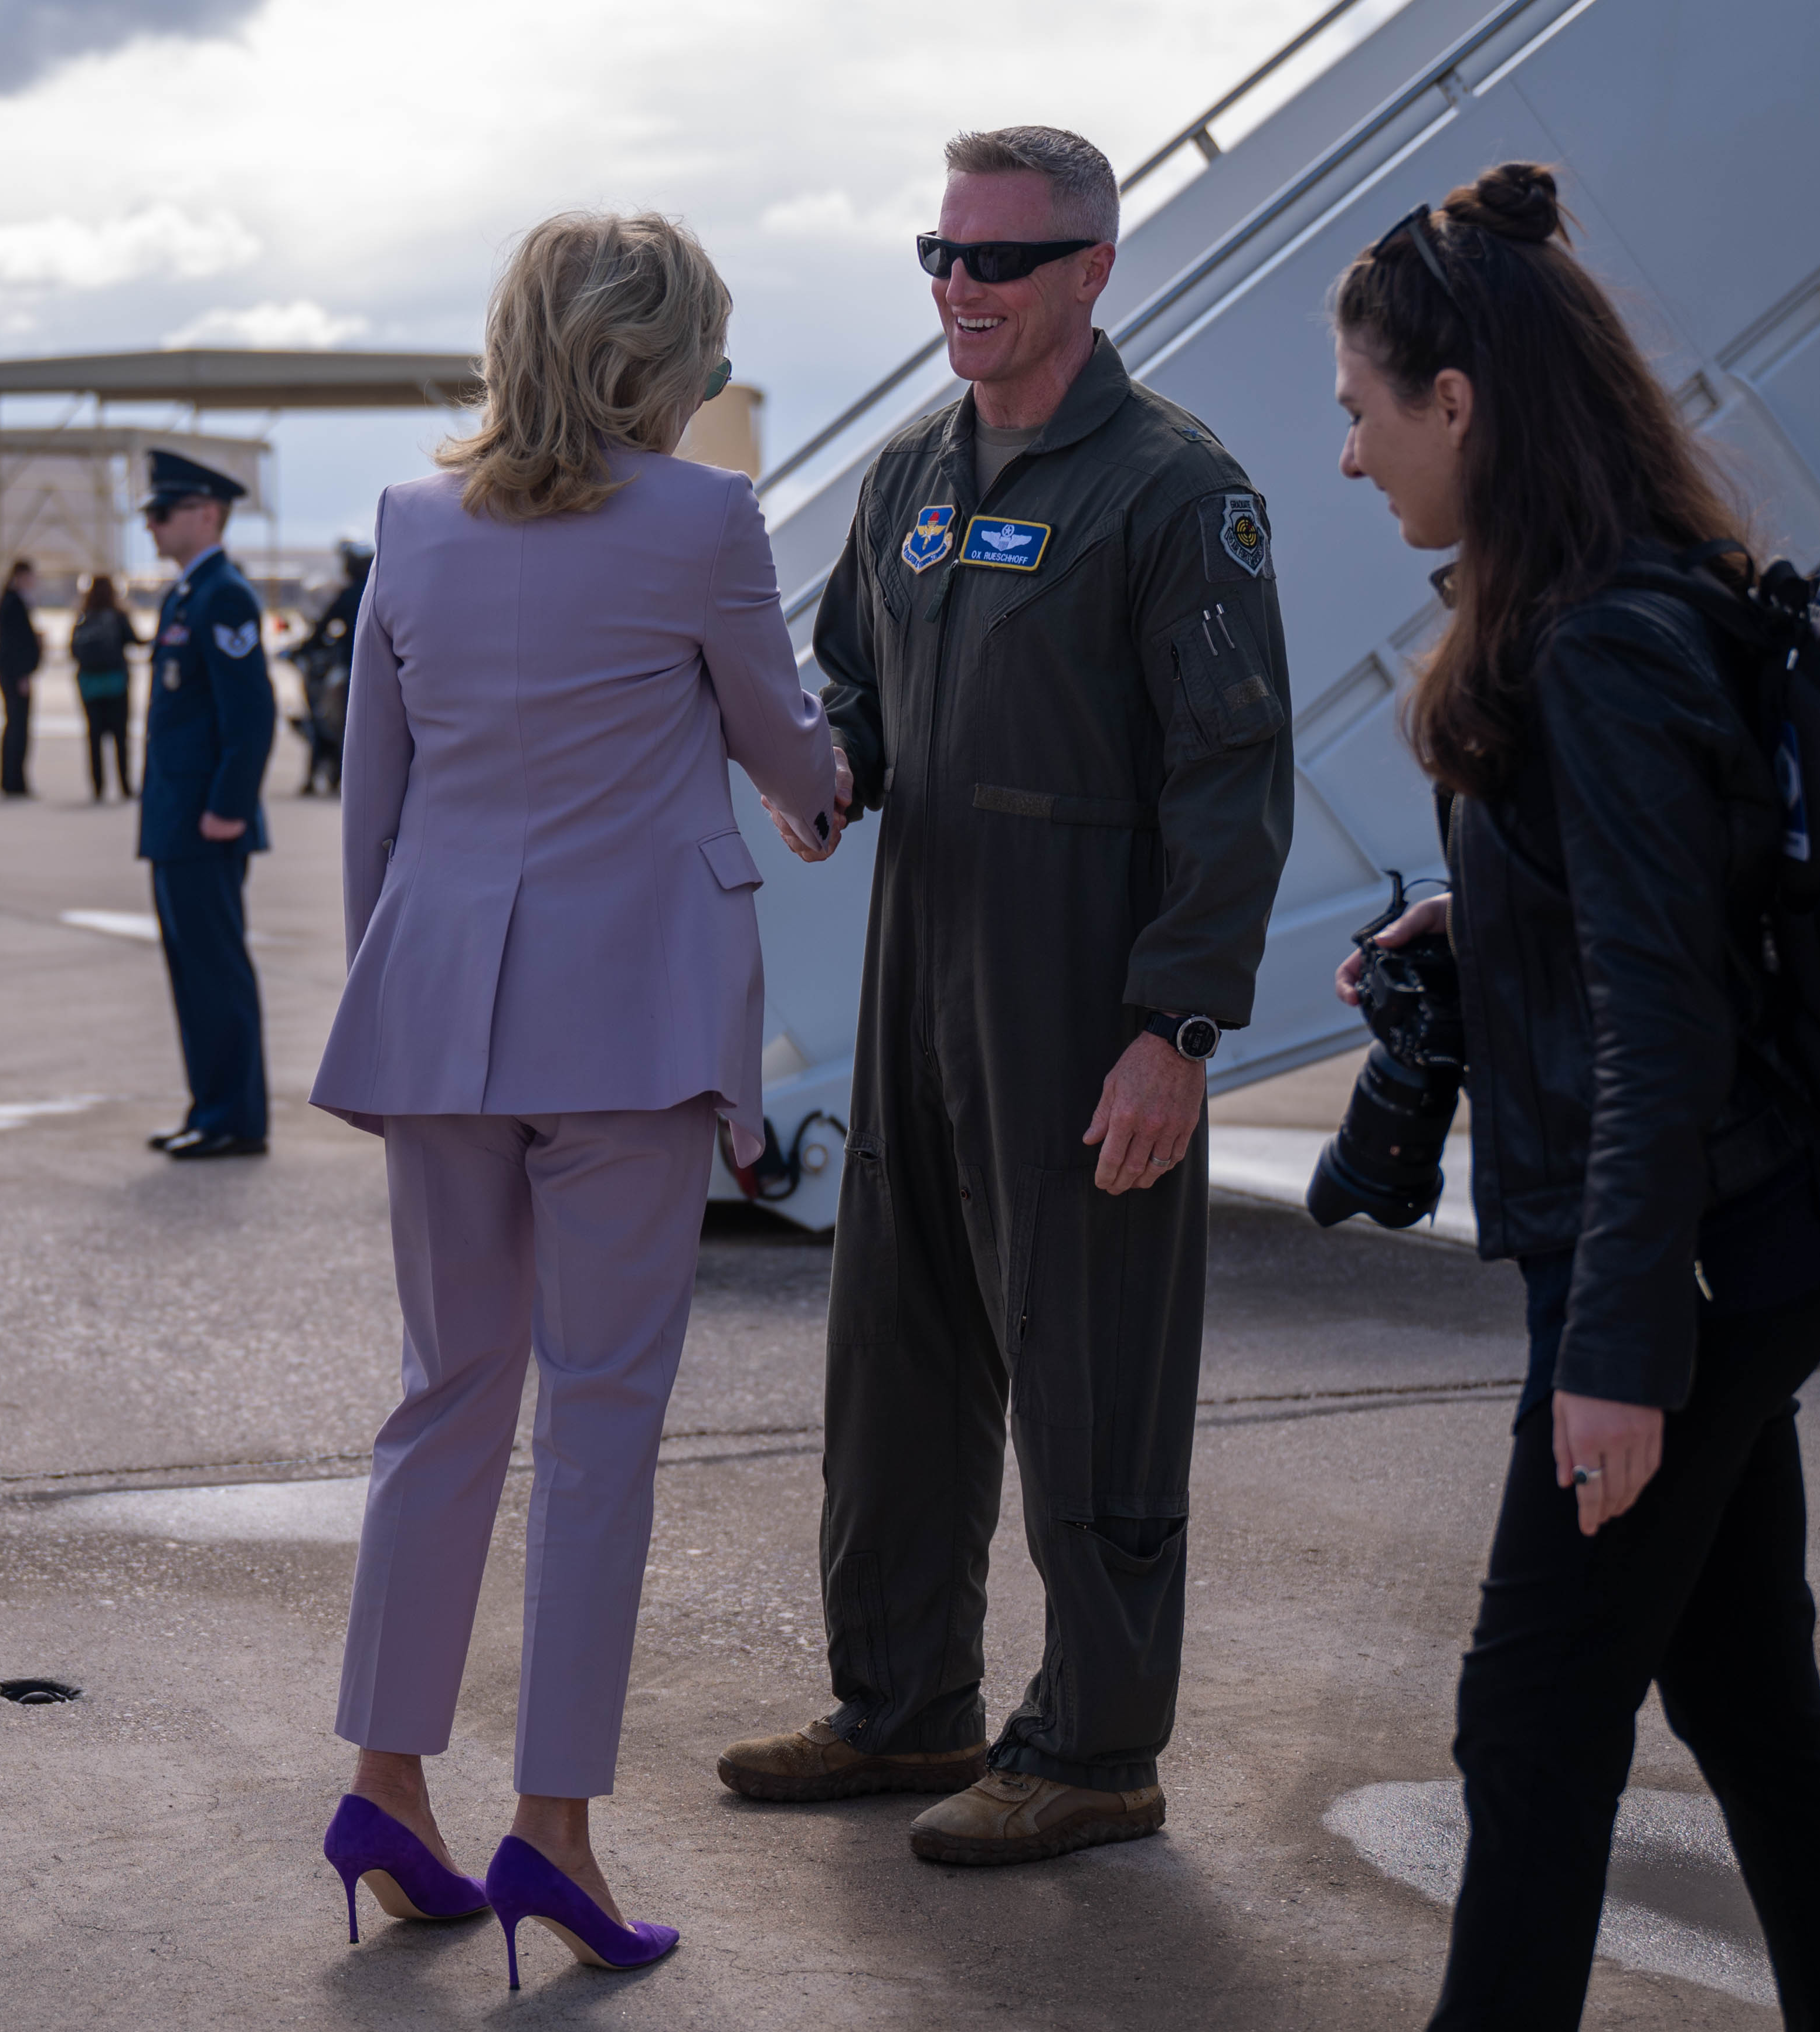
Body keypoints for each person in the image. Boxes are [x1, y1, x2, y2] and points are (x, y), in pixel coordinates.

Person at [1327, 163, 1820, 2028]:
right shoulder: (1626, 602)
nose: (1351, 453)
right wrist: (1487, 910)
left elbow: (1668, 1019)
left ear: (1457, 404)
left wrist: (1620, 1351)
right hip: (1725, 1240)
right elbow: (1671, 908)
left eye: (1362, 409)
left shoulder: (1599, 643)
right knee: (1746, 1696)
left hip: (1679, 1262)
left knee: (1534, 1719)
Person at [721, 124, 1293, 1868]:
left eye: (999, 259)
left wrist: (1174, 1031)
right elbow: (854, 679)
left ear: (1092, 271)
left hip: (1082, 993)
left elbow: (1233, 780)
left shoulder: (1176, 491)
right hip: (923, 965)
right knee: (895, 1350)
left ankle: (1099, 1749)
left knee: (1092, 1369)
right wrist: (833, 768)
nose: (960, 288)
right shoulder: (912, 472)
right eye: (941, 255)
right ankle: (905, 1706)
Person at [309, 209, 840, 1987]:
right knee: (598, 1426)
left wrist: (395, 1003)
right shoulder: (702, 519)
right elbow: (786, 747)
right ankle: (555, 1830)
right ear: (654, 358)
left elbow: (374, 805)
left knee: (443, 1401)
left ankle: (387, 1784)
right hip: (628, 1024)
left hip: (441, 1012)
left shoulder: (412, 522)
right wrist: (835, 781)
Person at [136, 450, 278, 1160]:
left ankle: (234, 1118)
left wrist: (229, 805)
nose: (152, 526)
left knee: (215, 972)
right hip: (177, 821)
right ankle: (210, 1108)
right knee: (192, 974)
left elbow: (250, 716)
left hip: (206, 823)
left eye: (164, 512)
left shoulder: (223, 596)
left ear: (208, 514)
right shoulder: (188, 594)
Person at [291, 540, 369, 795]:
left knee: (333, 718)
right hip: (381, 671)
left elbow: (323, 626)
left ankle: (330, 772)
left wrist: (305, 648)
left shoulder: (351, 594)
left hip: (354, 669)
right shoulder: (380, 590)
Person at [68, 571, 138, 800]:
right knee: (121, 737)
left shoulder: (84, 616)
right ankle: (125, 785)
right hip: (116, 681)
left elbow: (73, 650)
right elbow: (134, 639)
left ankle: (98, 787)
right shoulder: (118, 615)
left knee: (94, 737)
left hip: (90, 684)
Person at [0, 559, 43, 799]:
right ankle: (14, 781)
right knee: (18, 728)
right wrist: (22, 674)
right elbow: (15, 643)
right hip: (14, 674)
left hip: (12, 672)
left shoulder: (13, 601)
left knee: (15, 726)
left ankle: (12, 780)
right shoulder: (14, 603)